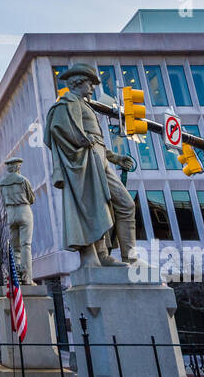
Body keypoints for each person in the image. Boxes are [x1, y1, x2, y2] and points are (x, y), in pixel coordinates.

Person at [44, 63, 139, 267]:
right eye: (90, 83)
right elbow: (58, 128)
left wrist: (115, 158)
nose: (93, 87)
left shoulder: (83, 104)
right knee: (97, 208)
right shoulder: (68, 102)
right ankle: (102, 255)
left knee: (125, 204)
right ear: (78, 82)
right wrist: (81, 140)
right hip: (87, 162)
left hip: (99, 160)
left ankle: (130, 258)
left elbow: (96, 140)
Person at [0, 157, 36, 284]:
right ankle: (27, 277)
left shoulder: (2, 183)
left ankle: (17, 278)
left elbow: (3, 199)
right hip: (24, 211)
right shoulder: (22, 180)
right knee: (26, 245)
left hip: (10, 214)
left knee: (15, 247)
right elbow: (31, 198)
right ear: (17, 167)